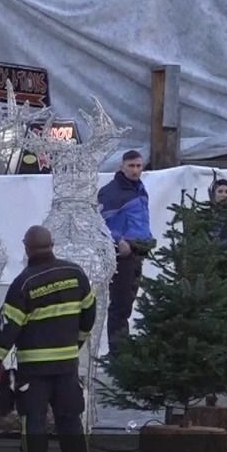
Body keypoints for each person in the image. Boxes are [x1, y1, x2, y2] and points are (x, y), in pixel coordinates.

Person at [0, 226, 96, 452]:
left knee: (33, 426)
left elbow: (8, 329)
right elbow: (89, 315)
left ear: (26, 248)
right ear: (53, 244)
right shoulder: (76, 274)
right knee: (71, 424)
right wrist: (75, 345)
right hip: (67, 368)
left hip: (33, 372)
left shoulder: (23, 284)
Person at [97, 150, 152, 352]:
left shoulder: (139, 189)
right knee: (120, 304)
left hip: (138, 250)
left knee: (128, 302)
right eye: (131, 166)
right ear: (122, 167)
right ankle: (118, 354)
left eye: (139, 166)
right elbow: (102, 222)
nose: (136, 170)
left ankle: (124, 350)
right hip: (122, 253)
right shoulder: (111, 192)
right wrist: (119, 241)